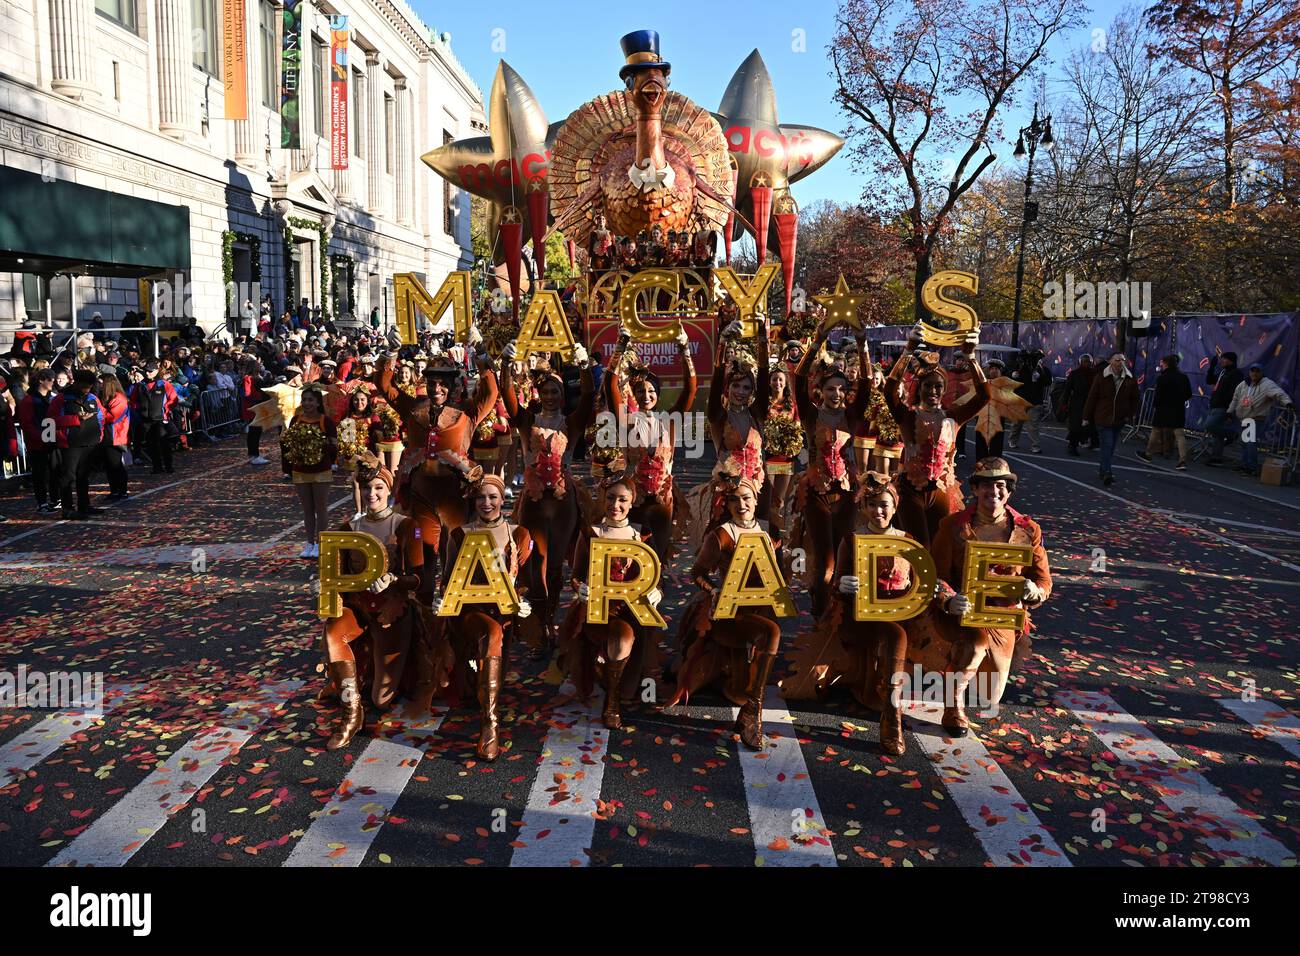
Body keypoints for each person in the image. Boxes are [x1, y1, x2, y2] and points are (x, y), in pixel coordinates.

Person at [781, 471, 919, 755]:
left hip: (897, 613)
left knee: (901, 630)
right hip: (861, 618)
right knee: (895, 635)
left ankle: (887, 694)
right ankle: (892, 718)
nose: (878, 511)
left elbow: (925, 581)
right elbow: (835, 585)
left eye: (884, 505)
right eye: (871, 505)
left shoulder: (907, 540)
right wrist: (841, 585)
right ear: (863, 508)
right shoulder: (853, 539)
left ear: (895, 507)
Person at [931, 458, 1051, 737]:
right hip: (965, 614)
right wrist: (949, 599)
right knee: (973, 646)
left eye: (1000, 485)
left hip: (1003, 616)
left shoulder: (1028, 529)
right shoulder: (952, 526)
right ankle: (953, 707)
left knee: (989, 697)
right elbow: (935, 576)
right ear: (974, 489)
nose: (993, 492)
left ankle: (969, 674)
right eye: (986, 485)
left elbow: (1044, 579)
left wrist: (1036, 591)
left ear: (1009, 491)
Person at [667, 477, 785, 750]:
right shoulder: (721, 535)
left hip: (760, 608)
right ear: (726, 503)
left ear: (757, 500)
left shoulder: (770, 532)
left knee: (765, 641)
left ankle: (748, 700)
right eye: (734, 499)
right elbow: (697, 573)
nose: (741, 504)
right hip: (729, 613)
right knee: (771, 632)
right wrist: (714, 590)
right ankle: (752, 713)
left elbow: (781, 574)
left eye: (746, 498)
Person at [318, 455, 425, 749]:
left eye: (378, 487)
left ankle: (387, 675)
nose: (372, 494)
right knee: (332, 631)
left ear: (388, 489)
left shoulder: (407, 525)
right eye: (366, 488)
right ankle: (351, 714)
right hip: (359, 608)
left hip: (392, 609)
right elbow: (337, 577)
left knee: (382, 699)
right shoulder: (347, 528)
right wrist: (324, 586)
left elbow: (419, 578)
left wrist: (394, 580)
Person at [435, 474, 534, 761]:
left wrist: (522, 599)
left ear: (504, 499)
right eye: (480, 497)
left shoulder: (519, 534)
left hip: (504, 612)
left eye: (493, 497)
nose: (486, 503)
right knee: (490, 635)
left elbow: (526, 580)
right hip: (471, 611)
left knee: (487, 673)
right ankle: (490, 725)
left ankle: (481, 689)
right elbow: (447, 578)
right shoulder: (459, 533)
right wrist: (442, 597)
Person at [501, 344, 595, 645]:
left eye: (556, 392)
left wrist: (583, 366)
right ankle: (539, 621)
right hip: (533, 502)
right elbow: (508, 397)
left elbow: (590, 397)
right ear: (539, 394)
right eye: (546, 392)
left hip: (563, 502)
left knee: (555, 565)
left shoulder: (572, 423)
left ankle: (550, 621)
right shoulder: (527, 421)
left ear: (562, 395)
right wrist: (505, 364)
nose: (551, 397)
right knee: (534, 562)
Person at [559, 477, 664, 730]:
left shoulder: (643, 534)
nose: (615, 504)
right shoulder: (591, 533)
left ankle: (613, 678)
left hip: (633, 610)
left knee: (632, 684)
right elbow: (576, 574)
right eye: (610, 498)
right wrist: (580, 588)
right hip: (599, 610)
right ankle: (612, 701)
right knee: (620, 637)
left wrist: (656, 592)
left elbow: (656, 576)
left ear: (632, 502)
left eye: (622, 499)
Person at [884, 325, 988, 548]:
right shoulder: (907, 416)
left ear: (944, 389)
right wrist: (908, 350)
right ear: (919, 389)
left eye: (938, 387)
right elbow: (889, 390)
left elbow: (984, 396)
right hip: (910, 489)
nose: (933, 391)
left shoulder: (954, 416)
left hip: (941, 490)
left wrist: (971, 355)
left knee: (940, 545)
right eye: (928, 386)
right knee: (919, 546)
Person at [603, 327, 696, 568]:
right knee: (630, 563)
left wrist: (685, 350)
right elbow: (609, 386)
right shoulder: (626, 421)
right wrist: (620, 347)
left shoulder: (669, 421)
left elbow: (690, 389)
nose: (646, 395)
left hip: (664, 504)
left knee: (659, 563)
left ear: (658, 395)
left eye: (652, 391)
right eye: (641, 391)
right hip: (633, 504)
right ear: (633, 394)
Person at [283, 386, 337, 559]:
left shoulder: (325, 421)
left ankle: (321, 542)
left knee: (320, 508)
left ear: (318, 402)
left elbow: (334, 446)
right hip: (300, 470)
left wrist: (318, 446)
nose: (307, 403)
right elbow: (288, 444)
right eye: (304, 399)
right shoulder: (295, 420)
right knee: (307, 509)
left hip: (321, 470)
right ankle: (309, 543)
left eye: (310, 400)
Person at [49, 369, 104, 520]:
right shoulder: (62, 399)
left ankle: (84, 505)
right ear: (77, 383)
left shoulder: (93, 397)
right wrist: (75, 419)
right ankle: (67, 508)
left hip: (90, 442)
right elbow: (50, 420)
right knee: (68, 476)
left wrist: (100, 435)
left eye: (89, 386)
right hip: (70, 443)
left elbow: (101, 416)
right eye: (84, 386)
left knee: (83, 476)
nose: (86, 389)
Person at [1227, 363, 1294, 476]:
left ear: (1262, 373)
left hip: (1255, 418)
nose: (1254, 373)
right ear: (1249, 372)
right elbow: (1235, 398)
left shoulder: (1267, 384)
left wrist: (1287, 403)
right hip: (1244, 418)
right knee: (1244, 443)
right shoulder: (1243, 384)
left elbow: (1279, 393)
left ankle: (1251, 467)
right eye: (1252, 371)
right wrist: (1229, 411)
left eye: (1257, 371)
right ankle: (1245, 465)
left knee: (1250, 443)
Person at [1082, 352, 1138, 487]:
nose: (1120, 362)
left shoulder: (1130, 379)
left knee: (1111, 446)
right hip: (1103, 417)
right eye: (1117, 360)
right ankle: (1107, 472)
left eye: (1122, 360)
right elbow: (1092, 397)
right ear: (1110, 361)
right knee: (1107, 444)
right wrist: (1085, 416)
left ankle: (1102, 469)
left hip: (1119, 418)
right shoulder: (1101, 377)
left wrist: (1130, 414)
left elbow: (1135, 399)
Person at [1138, 354, 1193, 470]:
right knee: (1179, 435)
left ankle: (1148, 454)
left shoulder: (1162, 378)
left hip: (1163, 409)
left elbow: (1158, 395)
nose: (1161, 365)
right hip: (1178, 409)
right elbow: (1189, 394)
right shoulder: (1183, 377)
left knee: (1156, 431)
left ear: (1166, 363)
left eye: (1162, 363)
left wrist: (1155, 406)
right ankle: (1182, 460)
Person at [18, 368, 60, 512]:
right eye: (49, 379)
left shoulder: (53, 397)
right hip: (37, 442)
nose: (52, 382)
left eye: (53, 379)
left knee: (55, 471)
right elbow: (26, 423)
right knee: (40, 474)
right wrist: (40, 438)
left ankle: (55, 499)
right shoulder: (29, 400)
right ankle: (42, 502)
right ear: (41, 380)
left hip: (52, 439)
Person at [133, 361, 178, 474]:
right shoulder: (140, 386)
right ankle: (157, 467)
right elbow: (133, 401)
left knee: (164, 444)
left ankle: (169, 466)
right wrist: (138, 409)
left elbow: (173, 399)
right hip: (146, 420)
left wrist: (166, 410)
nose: (148, 373)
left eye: (150, 371)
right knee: (151, 445)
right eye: (146, 371)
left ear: (156, 371)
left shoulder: (164, 384)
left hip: (160, 419)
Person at [1204, 351, 1244, 466]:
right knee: (1218, 435)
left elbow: (1235, 393)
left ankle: (1232, 434)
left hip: (1224, 406)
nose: (1222, 361)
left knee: (1210, 425)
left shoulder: (1236, 374)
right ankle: (1216, 458)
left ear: (1231, 361)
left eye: (1224, 359)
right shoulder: (1222, 372)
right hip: (1214, 404)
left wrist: (1230, 411)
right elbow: (1209, 381)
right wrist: (1211, 367)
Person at [1008, 350, 1051, 453]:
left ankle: (1035, 446)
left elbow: (1048, 382)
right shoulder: (1019, 368)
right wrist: (1012, 375)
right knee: (1016, 424)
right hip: (1020, 400)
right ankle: (1013, 440)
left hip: (1035, 402)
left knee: (1033, 426)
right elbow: (1009, 378)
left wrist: (1040, 377)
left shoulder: (1043, 370)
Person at [98, 373, 130, 501]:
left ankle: (122, 490)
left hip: (115, 435)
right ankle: (114, 490)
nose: (99, 385)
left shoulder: (119, 398)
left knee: (116, 464)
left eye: (101, 383)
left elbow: (112, 417)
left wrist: (100, 409)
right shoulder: (106, 398)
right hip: (107, 435)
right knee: (109, 465)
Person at [1063, 354, 1099, 455]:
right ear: (1080, 362)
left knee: (1089, 426)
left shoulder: (1095, 374)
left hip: (1090, 404)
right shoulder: (1074, 374)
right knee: (1076, 426)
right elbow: (1067, 389)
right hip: (1077, 404)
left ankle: (1088, 441)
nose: (1086, 363)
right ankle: (1072, 445)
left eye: (1088, 361)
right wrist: (1064, 404)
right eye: (1084, 361)